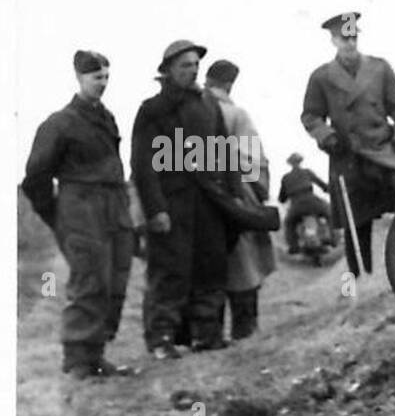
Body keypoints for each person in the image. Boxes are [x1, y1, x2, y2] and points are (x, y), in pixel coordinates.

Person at [21, 49, 136, 378]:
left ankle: (96, 355)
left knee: (115, 280)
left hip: (113, 206)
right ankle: (77, 361)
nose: (102, 83)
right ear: (79, 78)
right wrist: (57, 215)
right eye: (95, 77)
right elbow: (35, 178)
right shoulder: (60, 122)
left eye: (106, 77)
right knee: (90, 280)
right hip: (81, 208)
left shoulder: (107, 117)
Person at [132, 39, 245, 358]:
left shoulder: (208, 104)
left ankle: (207, 334)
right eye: (185, 65)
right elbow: (143, 165)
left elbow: (225, 153)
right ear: (168, 70)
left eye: (196, 65)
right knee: (170, 271)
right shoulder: (152, 110)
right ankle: (161, 339)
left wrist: (234, 198)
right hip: (172, 203)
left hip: (209, 201)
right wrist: (155, 209)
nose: (193, 70)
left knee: (211, 266)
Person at [302, 12, 395, 275]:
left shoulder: (380, 67)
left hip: (383, 152)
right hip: (348, 157)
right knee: (356, 224)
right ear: (333, 41)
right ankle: (359, 279)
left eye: (353, 37)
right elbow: (310, 115)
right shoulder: (321, 76)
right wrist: (327, 136)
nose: (350, 44)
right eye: (344, 38)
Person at [204, 59, 275, 340]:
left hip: (202, 199)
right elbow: (253, 161)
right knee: (243, 266)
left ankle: (210, 332)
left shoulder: (188, 112)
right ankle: (245, 329)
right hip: (236, 196)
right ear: (229, 84)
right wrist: (257, 191)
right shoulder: (235, 114)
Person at [280, 153, 332, 253]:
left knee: (289, 224)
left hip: (296, 206)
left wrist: (285, 197)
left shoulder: (286, 178)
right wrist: (329, 189)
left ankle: (293, 247)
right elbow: (323, 185)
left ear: (290, 164)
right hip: (313, 203)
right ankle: (331, 238)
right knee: (329, 214)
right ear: (300, 161)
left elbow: (282, 198)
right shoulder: (307, 172)